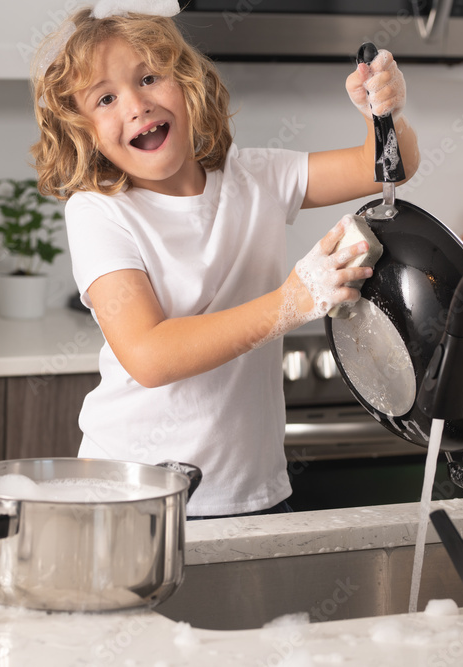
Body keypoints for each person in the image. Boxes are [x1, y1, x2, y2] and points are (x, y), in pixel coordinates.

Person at [30, 1, 420, 518]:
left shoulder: (255, 176)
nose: (135, 105)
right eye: (105, 98)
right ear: (84, 133)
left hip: (254, 489)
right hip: (133, 498)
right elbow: (149, 356)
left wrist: (385, 115)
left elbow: (387, 167)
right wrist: (292, 301)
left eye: (149, 77)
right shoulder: (100, 212)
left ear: (187, 82)